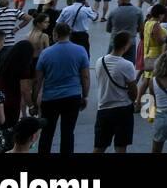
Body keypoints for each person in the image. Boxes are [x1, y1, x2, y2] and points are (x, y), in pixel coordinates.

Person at [34, 21, 91, 154]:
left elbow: (38, 80)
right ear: (69, 34)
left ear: (55, 34)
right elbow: (86, 77)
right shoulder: (80, 50)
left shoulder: (46, 53)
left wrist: (34, 101)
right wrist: (85, 95)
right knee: (68, 132)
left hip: (50, 98)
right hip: (72, 96)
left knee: (47, 133)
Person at [92, 30, 140, 154]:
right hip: (122, 109)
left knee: (99, 146)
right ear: (126, 46)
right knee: (120, 147)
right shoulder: (127, 65)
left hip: (103, 108)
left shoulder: (99, 62)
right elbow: (133, 91)